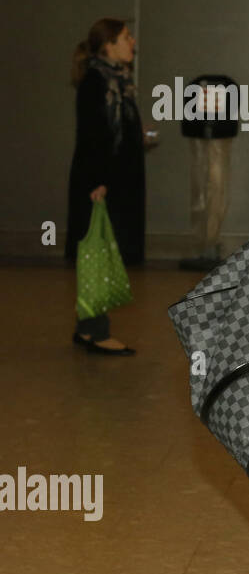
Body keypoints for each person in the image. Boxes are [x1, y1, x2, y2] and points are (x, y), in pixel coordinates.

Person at [66, 18, 151, 355]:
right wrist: (98, 181)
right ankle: (97, 333)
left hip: (111, 180)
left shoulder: (117, 80)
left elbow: (113, 131)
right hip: (98, 184)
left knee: (99, 255)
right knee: (98, 256)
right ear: (108, 45)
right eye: (127, 37)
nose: (133, 43)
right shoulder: (96, 82)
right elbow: (92, 136)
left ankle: (86, 327)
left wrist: (136, 135)